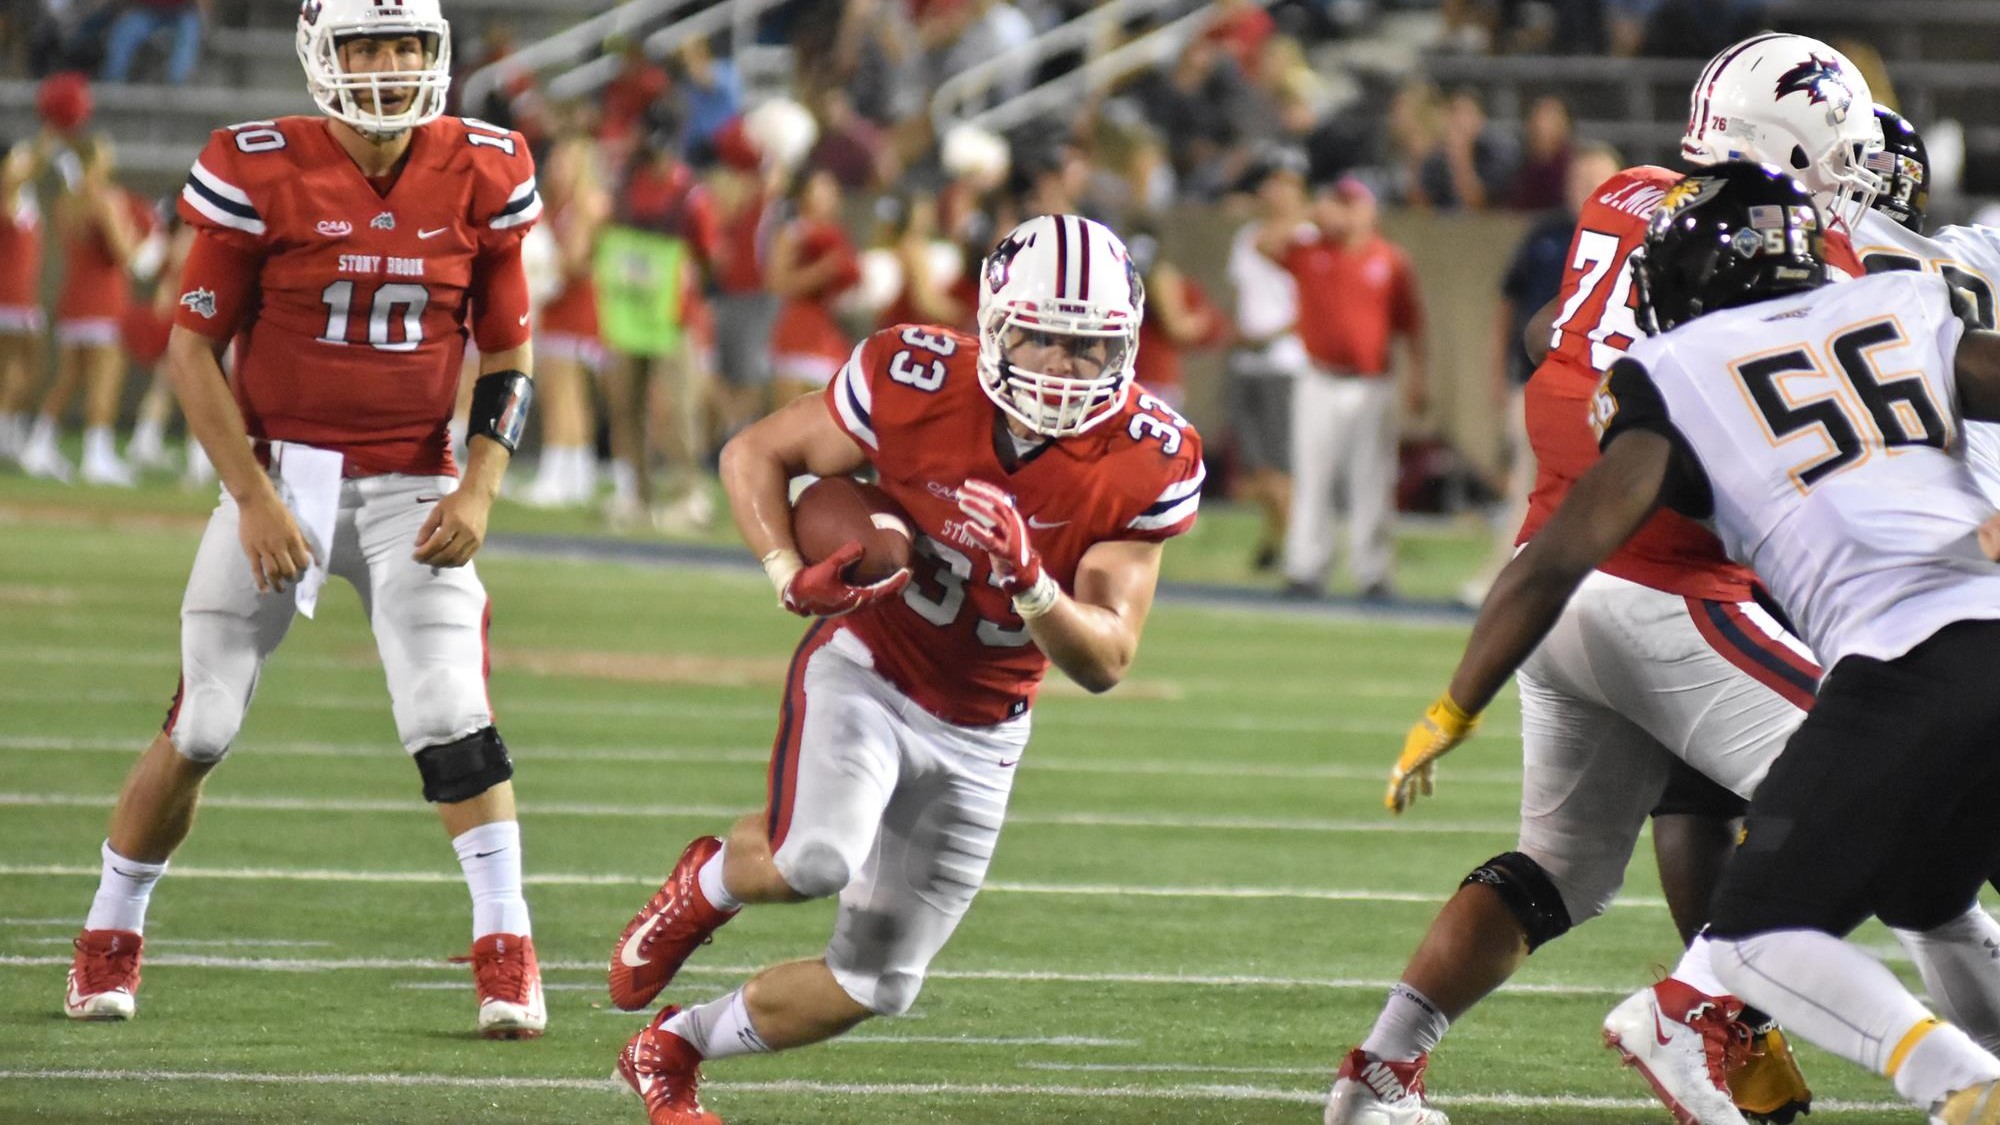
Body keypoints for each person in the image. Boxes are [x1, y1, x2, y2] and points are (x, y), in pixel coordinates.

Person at [1325, 33, 1884, 1125]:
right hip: (1666, 585)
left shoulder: (1621, 196)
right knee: (1887, 782)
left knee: (1561, 869)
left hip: (1553, 581)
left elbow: (1550, 332)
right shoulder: (1806, 253)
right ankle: (1695, 1010)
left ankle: (1379, 1074)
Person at [1400, 159, 2000, 1124]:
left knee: (1746, 944)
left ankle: (1958, 1080)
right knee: (1931, 886)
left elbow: (1556, 558)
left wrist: (1453, 704)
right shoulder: (1897, 300)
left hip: (1901, 664)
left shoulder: (1676, 369)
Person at [604, 214, 1205, 1125]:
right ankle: (708, 882)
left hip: (985, 725)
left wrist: (1035, 584)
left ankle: (673, 1046)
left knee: (878, 981)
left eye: (1088, 346)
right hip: (872, 668)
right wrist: (785, 573)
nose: (1060, 365)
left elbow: (1109, 659)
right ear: (994, 322)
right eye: (1040, 334)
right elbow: (755, 452)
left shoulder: (1149, 455)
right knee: (814, 855)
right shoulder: (913, 375)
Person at [60, 0, 548, 1040]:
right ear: (321, 56)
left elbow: (508, 355)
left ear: (437, 54)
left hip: (418, 480)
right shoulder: (257, 165)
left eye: (406, 46)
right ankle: (111, 929)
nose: (386, 68)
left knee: (449, 717)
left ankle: (507, 952)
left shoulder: (484, 168)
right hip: (282, 474)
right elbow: (193, 350)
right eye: (365, 47)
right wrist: (252, 497)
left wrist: (479, 488)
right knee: (203, 723)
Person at [1461, 142, 1624, 607]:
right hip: (1540, 381)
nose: (1587, 190)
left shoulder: (1642, 235)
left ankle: (1582, 582)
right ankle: (1509, 578)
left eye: (1598, 180)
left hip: (1606, 387)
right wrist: (1498, 371)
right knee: (1531, 487)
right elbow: (1512, 306)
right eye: (1580, 179)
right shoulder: (1547, 233)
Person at [1266, 175, 1426, 601]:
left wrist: (1418, 381)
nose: (1348, 211)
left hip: (1371, 383)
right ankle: (1306, 567)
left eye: (1354, 203)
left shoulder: (1390, 260)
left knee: (1371, 479)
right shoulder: (1311, 250)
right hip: (1319, 378)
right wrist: (1309, 214)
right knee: (1313, 475)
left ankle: (1372, 572)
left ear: (1370, 209)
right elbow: (1263, 243)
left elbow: (1411, 327)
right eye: (1341, 203)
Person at [18, 133, 151, 486]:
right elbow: (125, 254)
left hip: (73, 299)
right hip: (104, 301)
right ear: (94, 163)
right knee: (104, 379)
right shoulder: (106, 200)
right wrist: (147, 239)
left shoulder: (66, 202)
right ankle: (97, 456)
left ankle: (38, 445)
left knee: (69, 378)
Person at [1225, 146, 1309, 572]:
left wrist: (1269, 335)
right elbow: (1244, 297)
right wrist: (1241, 335)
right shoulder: (1246, 237)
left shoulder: (1309, 239)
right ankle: (1278, 539)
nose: (1275, 192)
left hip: (1285, 362)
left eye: (1284, 183)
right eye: (1271, 182)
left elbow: (1313, 306)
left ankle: (1292, 547)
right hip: (1247, 361)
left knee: (1280, 462)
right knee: (1255, 468)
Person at [0, 132, 52, 464]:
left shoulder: (23, 192)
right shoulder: (8, 191)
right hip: (9, 296)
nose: (23, 161)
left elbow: (34, 167)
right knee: (14, 368)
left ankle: (8, 428)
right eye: (17, 157)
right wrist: (51, 134)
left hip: (23, 295)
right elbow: (30, 169)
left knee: (26, 368)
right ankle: (5, 431)